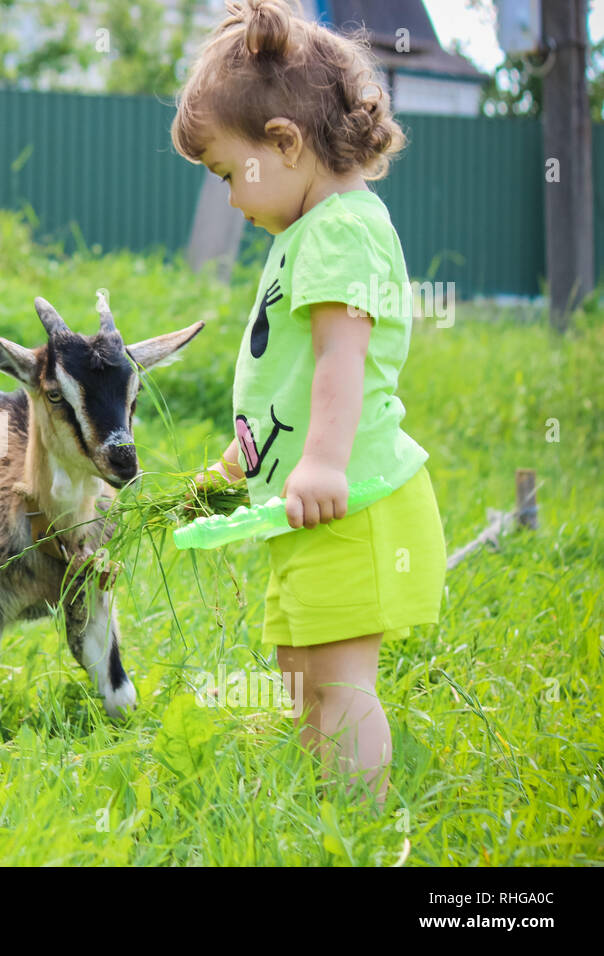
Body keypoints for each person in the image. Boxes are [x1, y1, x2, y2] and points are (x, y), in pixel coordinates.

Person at [172, 0, 446, 807]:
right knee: (301, 677)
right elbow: (285, 388)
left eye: (228, 173)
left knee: (338, 679)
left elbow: (340, 356)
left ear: (285, 143)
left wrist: (323, 462)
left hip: (348, 503)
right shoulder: (308, 233)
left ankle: (356, 826)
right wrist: (233, 469)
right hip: (308, 508)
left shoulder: (340, 230)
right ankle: (320, 809)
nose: (229, 200)